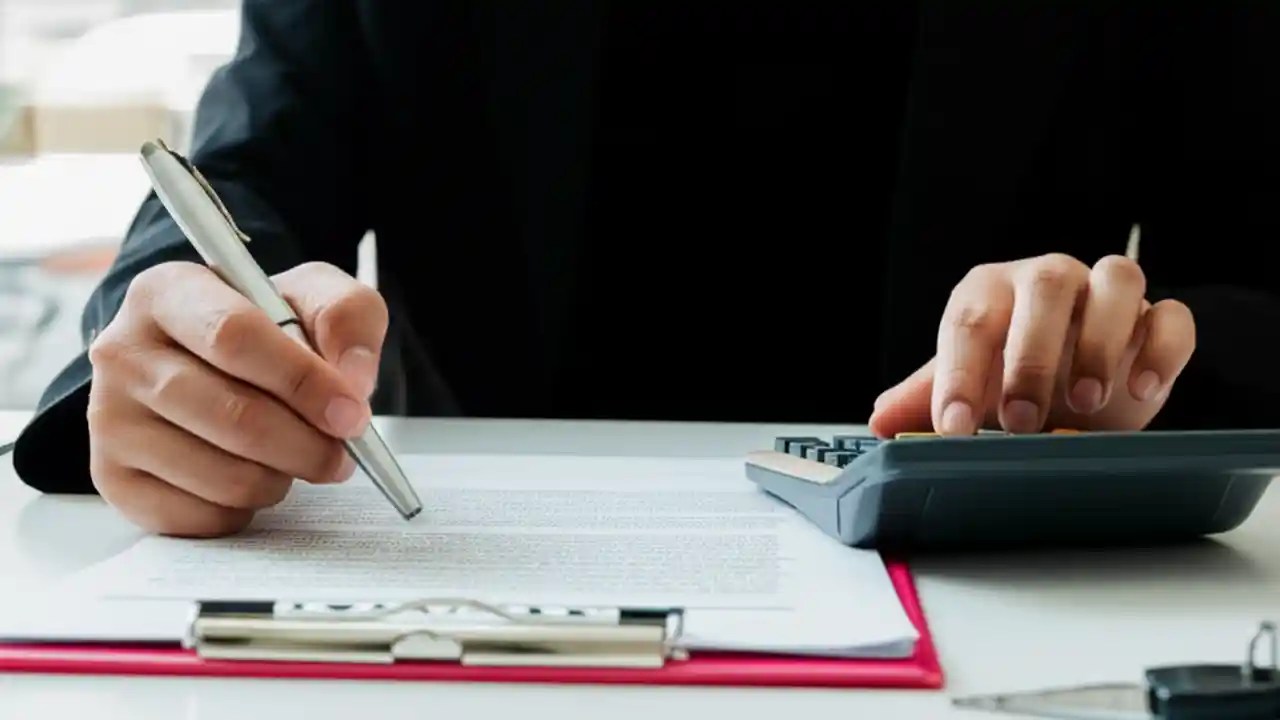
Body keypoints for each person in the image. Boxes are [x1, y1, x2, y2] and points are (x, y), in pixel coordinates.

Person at [11, 1, 1280, 537]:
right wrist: (171, 346)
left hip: (1006, 595)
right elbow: (239, 185)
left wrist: (1137, 358)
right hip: (486, 583)